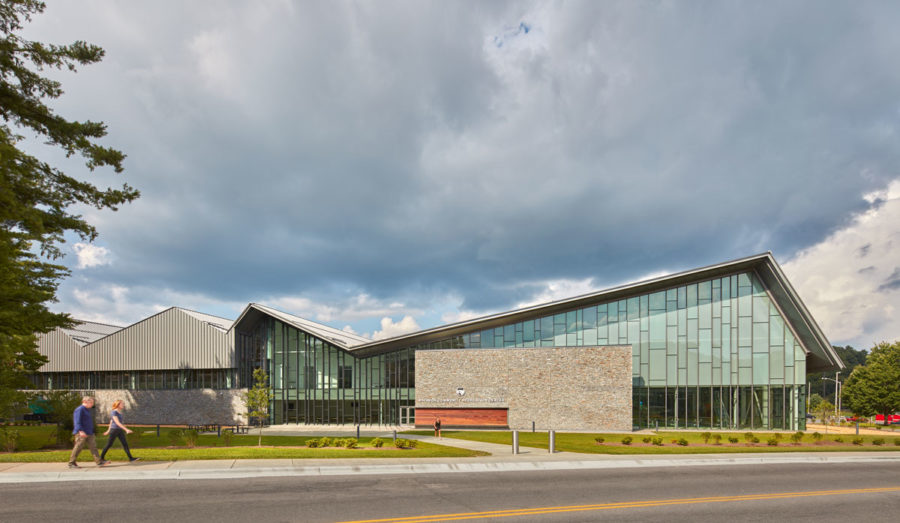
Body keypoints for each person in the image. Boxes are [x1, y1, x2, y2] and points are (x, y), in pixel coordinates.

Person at [68, 397, 109, 468]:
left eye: (93, 402)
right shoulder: (80, 409)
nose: (92, 404)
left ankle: (99, 462)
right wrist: (80, 431)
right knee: (78, 447)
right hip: (82, 432)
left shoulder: (87, 410)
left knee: (93, 447)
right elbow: (77, 421)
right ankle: (71, 463)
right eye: (91, 402)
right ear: (85, 401)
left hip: (89, 432)